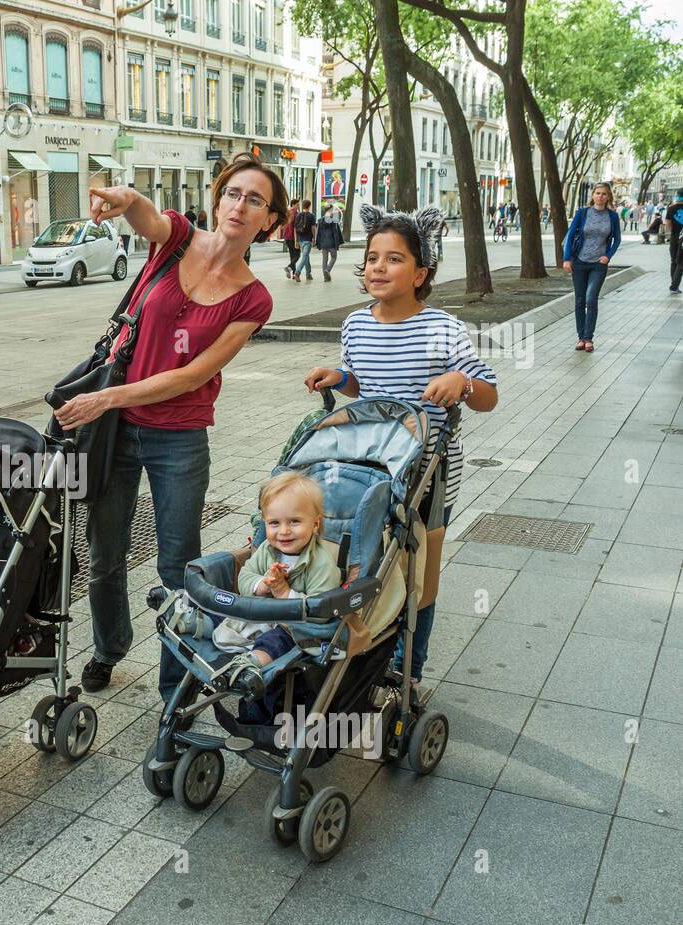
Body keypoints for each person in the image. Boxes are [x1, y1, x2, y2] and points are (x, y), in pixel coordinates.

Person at [53, 154, 285, 698]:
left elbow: (193, 375)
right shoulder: (178, 238)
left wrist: (107, 396)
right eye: (232, 193)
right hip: (114, 430)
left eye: (255, 200)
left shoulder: (255, 298)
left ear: (270, 220)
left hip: (178, 437)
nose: (239, 205)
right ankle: (109, 648)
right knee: (105, 553)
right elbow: (148, 218)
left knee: (178, 565)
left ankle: (173, 682)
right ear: (218, 197)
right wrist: (127, 199)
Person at [304, 203, 499, 688]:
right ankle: (361, 646)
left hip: (428, 474)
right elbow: (362, 386)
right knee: (368, 562)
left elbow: (488, 395)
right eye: (372, 258)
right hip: (370, 466)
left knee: (419, 576)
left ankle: (409, 667)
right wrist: (340, 377)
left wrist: (461, 380)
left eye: (393, 259)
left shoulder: (444, 329)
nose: (378, 267)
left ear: (421, 272)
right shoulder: (356, 324)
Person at [210, 472, 341, 675]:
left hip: (291, 628)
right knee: (222, 605)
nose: (284, 531)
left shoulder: (322, 564)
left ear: (315, 524)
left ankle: (252, 662)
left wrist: (283, 592)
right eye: (274, 523)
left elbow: (321, 612)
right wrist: (263, 584)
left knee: (278, 641)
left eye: (294, 521)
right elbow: (244, 578)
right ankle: (197, 622)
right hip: (257, 614)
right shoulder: (267, 550)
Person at [563, 180, 621, 352]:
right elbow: (570, 235)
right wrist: (567, 259)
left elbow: (617, 239)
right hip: (579, 262)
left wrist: (608, 256)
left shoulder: (612, 216)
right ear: (593, 195)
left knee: (591, 298)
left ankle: (589, 338)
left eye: (604, 193)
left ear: (608, 196)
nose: (600, 196)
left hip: (598, 264)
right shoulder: (582, 213)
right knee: (580, 300)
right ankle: (581, 338)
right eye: (598, 193)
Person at [316, 203, 344, 281]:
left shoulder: (320, 220)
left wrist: (318, 242)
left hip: (323, 243)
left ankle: (325, 277)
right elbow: (336, 232)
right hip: (331, 242)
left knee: (324, 259)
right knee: (334, 257)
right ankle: (327, 270)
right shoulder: (333, 220)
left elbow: (318, 233)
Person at [293, 199, 317, 282]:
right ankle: (297, 272)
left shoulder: (298, 215)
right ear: (309, 206)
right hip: (308, 239)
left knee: (306, 256)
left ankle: (308, 274)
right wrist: (314, 238)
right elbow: (313, 228)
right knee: (305, 256)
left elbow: (295, 229)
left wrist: (296, 241)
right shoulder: (311, 216)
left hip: (300, 239)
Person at [666, 188, 683, 295]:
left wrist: (673, 232)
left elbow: (668, 223)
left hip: (674, 237)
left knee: (674, 261)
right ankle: (674, 286)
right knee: (681, 262)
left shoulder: (671, 208)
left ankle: (674, 284)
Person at [282, 197, 300, 277]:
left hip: (286, 236)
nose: (298, 206)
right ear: (293, 204)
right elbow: (295, 228)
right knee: (297, 255)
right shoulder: (296, 213)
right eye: (297, 204)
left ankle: (293, 273)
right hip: (293, 237)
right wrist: (297, 241)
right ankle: (289, 267)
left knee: (292, 255)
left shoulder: (286, 213)